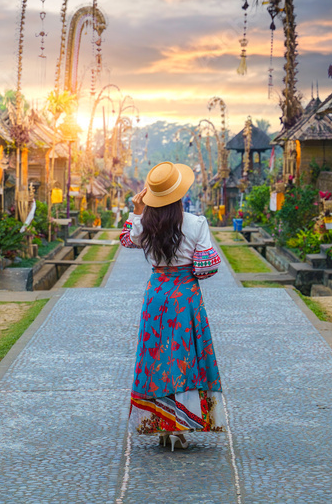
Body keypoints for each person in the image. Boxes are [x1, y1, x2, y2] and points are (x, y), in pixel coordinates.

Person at [119, 161, 225, 451]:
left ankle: (160, 424)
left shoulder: (145, 224)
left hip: (156, 295)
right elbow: (206, 269)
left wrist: (137, 211)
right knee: (184, 357)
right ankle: (180, 425)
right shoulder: (196, 223)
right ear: (180, 193)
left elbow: (127, 240)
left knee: (156, 357)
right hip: (186, 297)